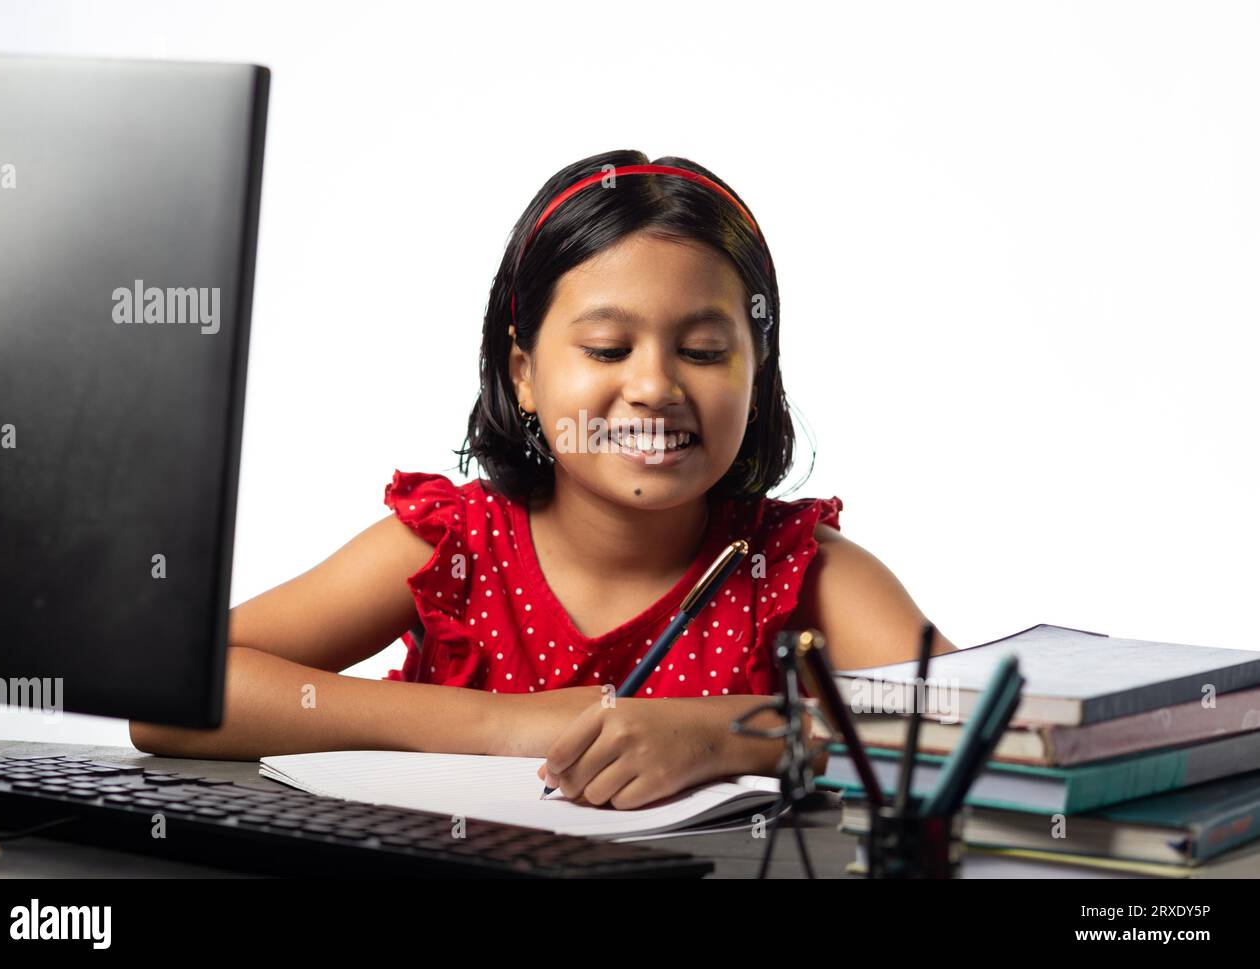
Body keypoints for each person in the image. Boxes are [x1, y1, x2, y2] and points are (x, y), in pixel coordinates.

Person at [131, 150, 957, 809]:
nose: (655, 387)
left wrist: (730, 735)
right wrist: (501, 724)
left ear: (757, 370)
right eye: (606, 349)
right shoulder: (451, 546)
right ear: (523, 373)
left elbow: (1009, 730)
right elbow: (167, 696)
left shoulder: (798, 568)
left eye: (704, 351)